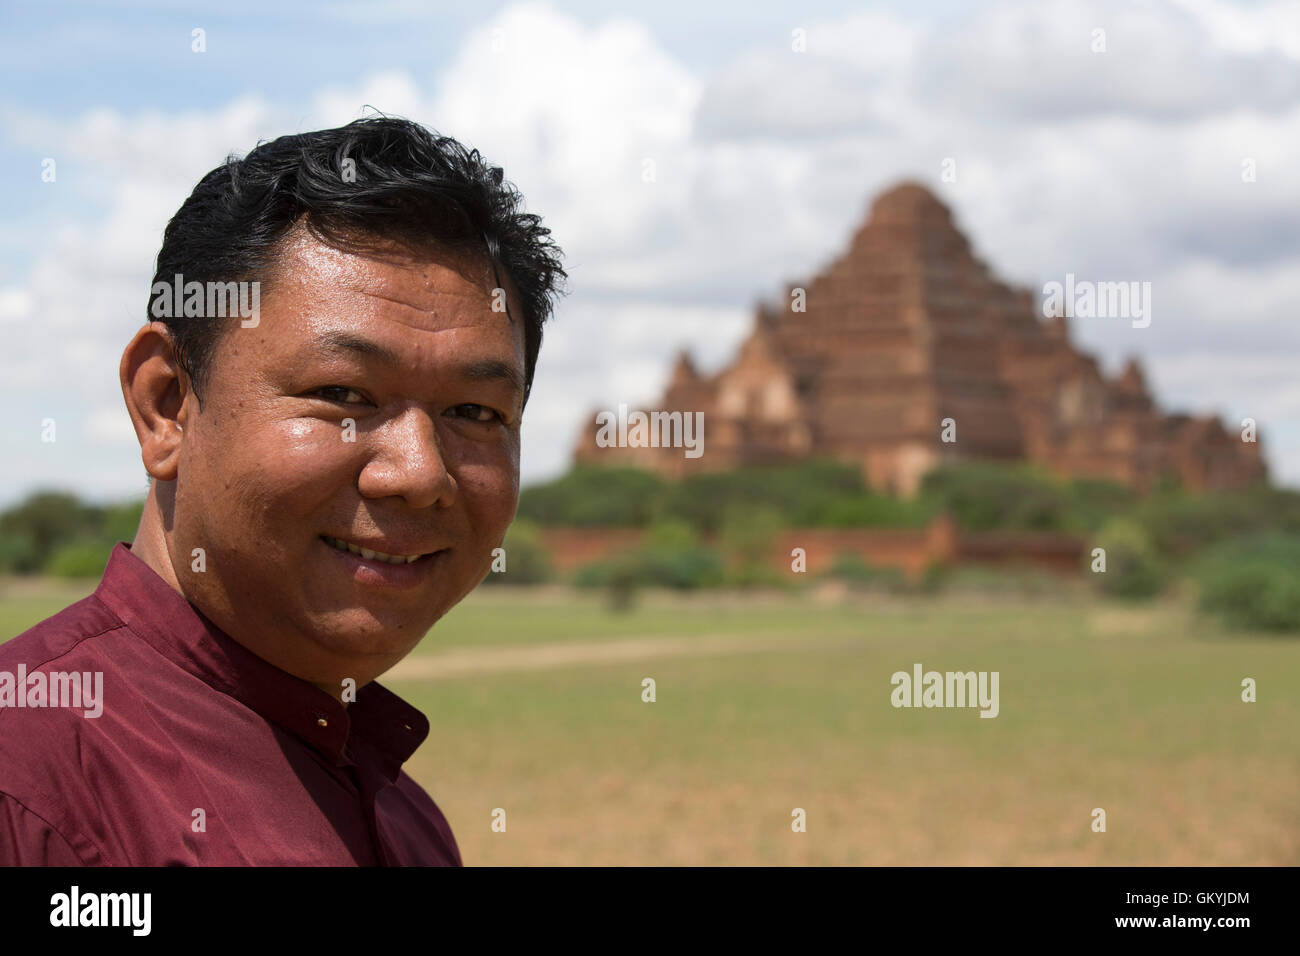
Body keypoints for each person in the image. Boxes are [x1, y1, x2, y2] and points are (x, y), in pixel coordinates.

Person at [0, 117, 565, 865]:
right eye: (343, 392)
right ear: (167, 403)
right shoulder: (28, 792)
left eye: (474, 412)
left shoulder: (406, 822)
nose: (421, 472)